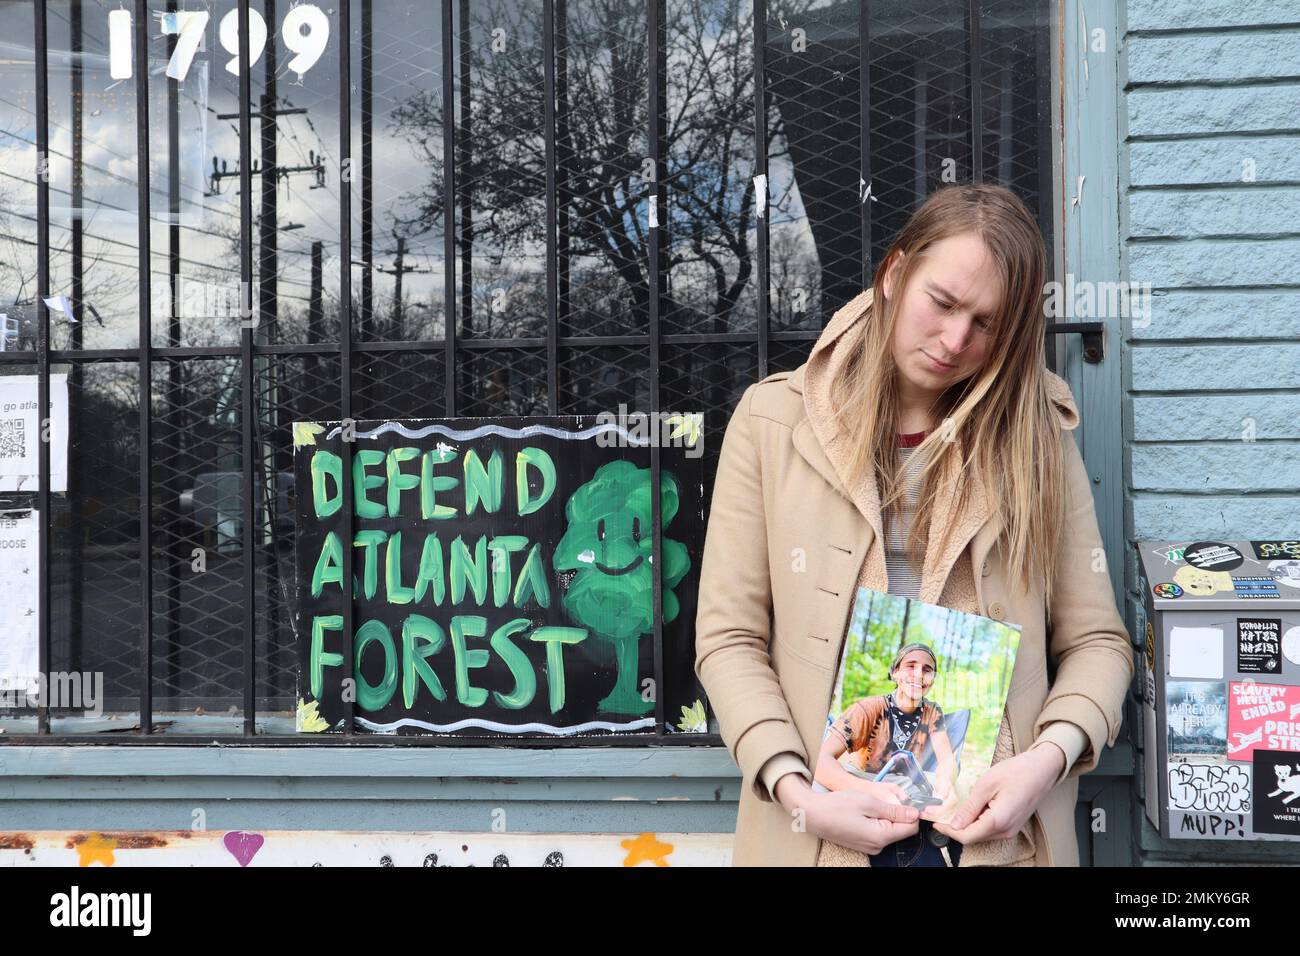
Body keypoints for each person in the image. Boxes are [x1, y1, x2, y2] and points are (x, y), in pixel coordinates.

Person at [693, 184, 1134, 867]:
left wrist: (1045, 764)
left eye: (986, 323)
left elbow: (1099, 643)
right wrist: (800, 792)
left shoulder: (1038, 439)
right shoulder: (772, 422)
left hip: (994, 836)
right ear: (895, 274)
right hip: (821, 831)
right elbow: (728, 639)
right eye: (944, 303)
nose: (956, 340)